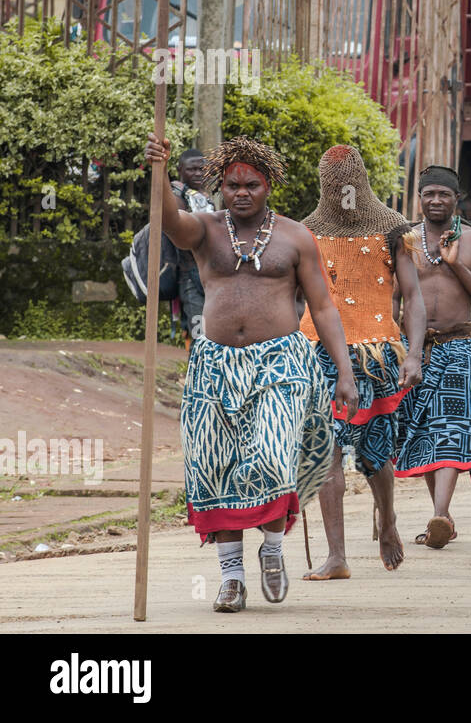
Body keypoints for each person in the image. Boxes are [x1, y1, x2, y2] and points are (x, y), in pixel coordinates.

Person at [143, 133, 354, 614]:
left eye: (251, 185)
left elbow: (322, 307)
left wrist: (345, 371)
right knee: (213, 465)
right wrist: (159, 172)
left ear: (268, 186)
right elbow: (168, 222)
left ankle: (273, 550)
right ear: (220, 186)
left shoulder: (296, 237)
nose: (241, 193)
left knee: (273, 456)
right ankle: (232, 577)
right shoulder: (205, 230)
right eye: (232, 185)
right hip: (215, 364)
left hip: (281, 362)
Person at [299, 146, 425, 579]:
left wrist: (413, 351)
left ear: (364, 183)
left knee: (374, 456)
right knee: (325, 451)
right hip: (316, 352)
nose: (345, 195)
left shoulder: (393, 228)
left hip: (376, 355)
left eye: (350, 187)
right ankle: (337, 556)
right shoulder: (306, 231)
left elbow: (412, 297)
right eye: (336, 189)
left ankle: (387, 521)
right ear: (324, 188)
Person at [396, 165, 471, 548]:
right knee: (422, 433)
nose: (435, 200)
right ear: (419, 198)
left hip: (459, 348)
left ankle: (439, 515)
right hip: (414, 352)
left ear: (457, 200)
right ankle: (445, 517)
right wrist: (396, 349)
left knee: (452, 432)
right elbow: (393, 299)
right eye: (429, 194)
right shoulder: (403, 241)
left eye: (444, 194)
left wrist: (457, 266)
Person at [172, 148, 214, 343]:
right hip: (190, 275)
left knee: (212, 333)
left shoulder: (203, 197)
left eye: (202, 169)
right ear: (180, 169)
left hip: (209, 276)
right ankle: (195, 372)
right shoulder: (176, 196)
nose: (198, 173)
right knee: (200, 336)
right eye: (192, 169)